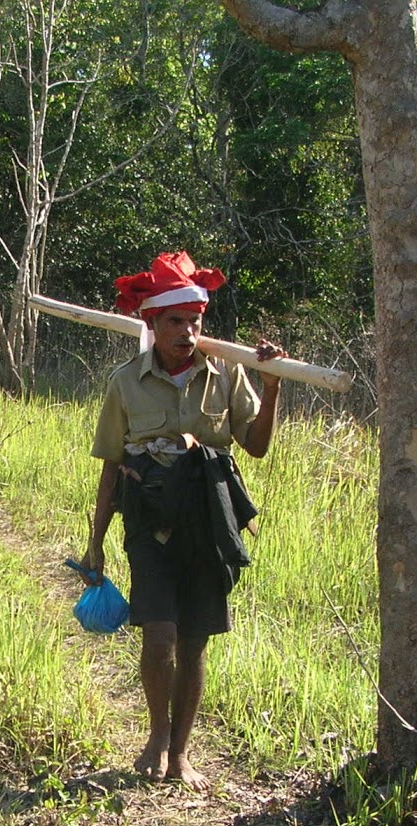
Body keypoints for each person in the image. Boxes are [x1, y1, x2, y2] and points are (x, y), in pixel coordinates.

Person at [79, 251, 283, 791]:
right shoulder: (126, 383)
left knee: (194, 640)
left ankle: (182, 753)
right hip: (149, 524)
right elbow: (110, 467)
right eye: (175, 321)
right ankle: (157, 736)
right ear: (152, 323)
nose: (187, 333)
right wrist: (96, 540)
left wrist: (273, 385)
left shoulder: (226, 374)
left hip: (209, 524)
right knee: (159, 635)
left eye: (195, 322)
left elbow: (256, 447)